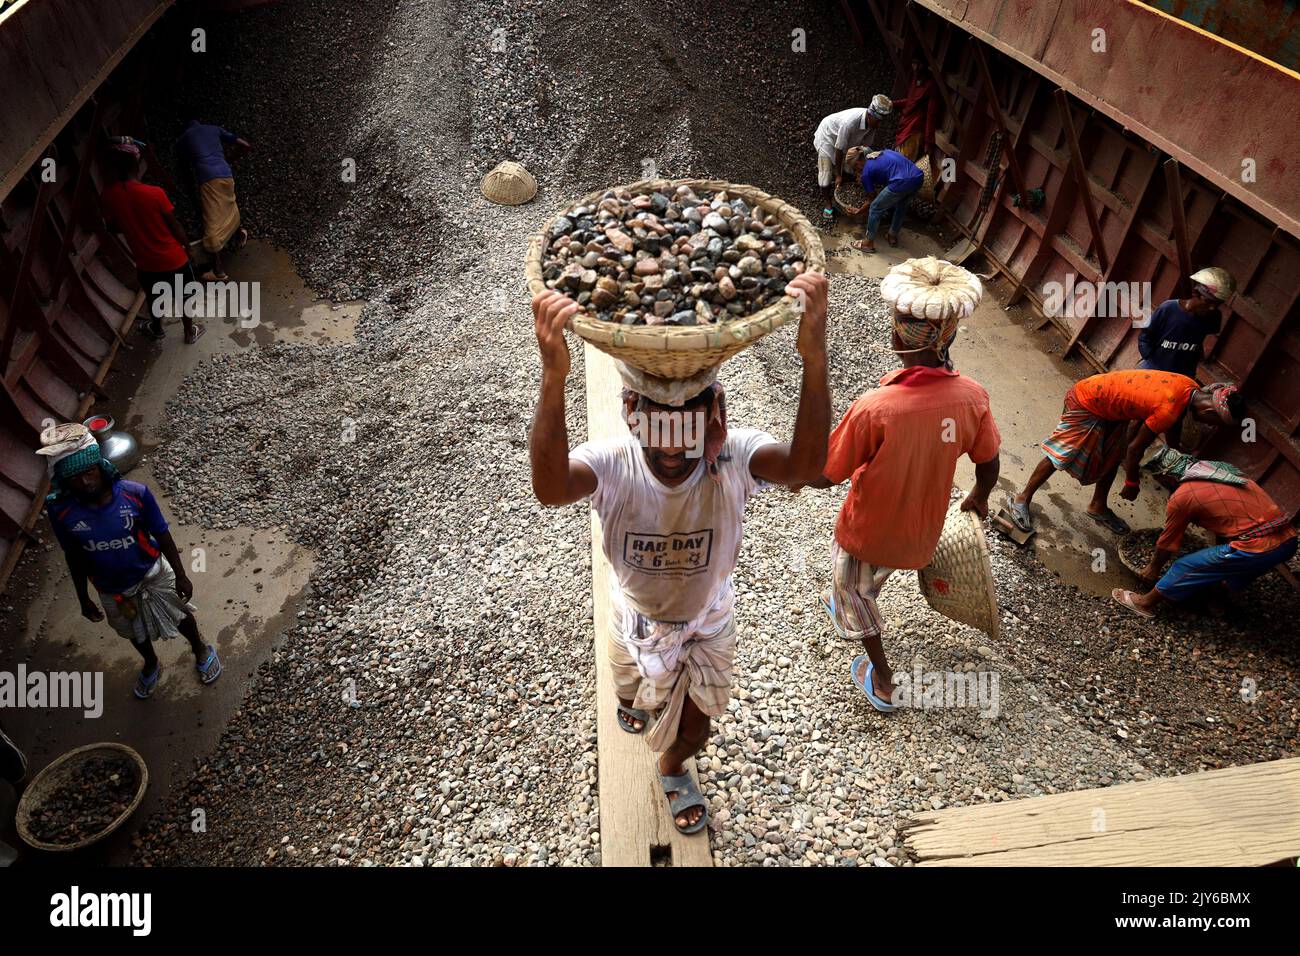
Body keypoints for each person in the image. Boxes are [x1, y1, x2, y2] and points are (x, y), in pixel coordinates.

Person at [528, 274, 830, 834]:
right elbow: (549, 488)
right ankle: (632, 699)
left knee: (696, 728)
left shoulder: (735, 456)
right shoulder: (614, 463)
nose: (670, 447)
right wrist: (554, 377)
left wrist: (816, 357)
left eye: (687, 424)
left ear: (716, 411)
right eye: (654, 424)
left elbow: (806, 469)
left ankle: (672, 765)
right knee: (629, 688)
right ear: (629, 412)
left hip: (708, 619)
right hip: (637, 617)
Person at [809, 257, 1000, 710]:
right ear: (948, 335)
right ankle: (856, 599)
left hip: (868, 529)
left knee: (852, 589)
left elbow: (826, 475)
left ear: (897, 336)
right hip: (922, 532)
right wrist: (978, 496)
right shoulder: (973, 396)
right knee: (873, 576)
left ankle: (884, 679)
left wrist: (789, 470)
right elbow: (988, 462)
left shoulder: (878, 406)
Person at [38, 424, 221, 699]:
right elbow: (73, 555)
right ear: (65, 481)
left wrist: (181, 575)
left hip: (153, 575)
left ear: (100, 466)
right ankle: (151, 662)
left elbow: (162, 534)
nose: (86, 482)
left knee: (180, 614)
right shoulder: (60, 509)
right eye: (76, 477)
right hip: (113, 590)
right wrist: (83, 598)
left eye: (89, 472)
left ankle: (200, 649)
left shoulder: (135, 494)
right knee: (134, 629)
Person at [1008, 370, 1245, 534]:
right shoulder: (1170, 407)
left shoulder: (1189, 386)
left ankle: (1097, 506)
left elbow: (1175, 425)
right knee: (1063, 452)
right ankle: (1022, 499)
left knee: (1112, 456)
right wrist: (1132, 482)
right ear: (1210, 411)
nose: (1208, 426)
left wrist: (1178, 456)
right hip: (1088, 399)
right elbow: (1136, 449)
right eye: (1212, 423)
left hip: (1111, 406)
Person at [1112, 446, 1296, 618]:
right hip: (1288, 540)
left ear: (1167, 476)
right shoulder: (1220, 472)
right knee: (1238, 571)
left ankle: (1145, 603)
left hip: (1257, 547)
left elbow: (1167, 543)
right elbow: (1228, 518)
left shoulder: (1183, 496)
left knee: (1186, 566)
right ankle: (1216, 602)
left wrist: (1153, 568)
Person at [100, 141, 205, 344]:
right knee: (184, 296)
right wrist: (187, 249)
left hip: (146, 264)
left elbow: (112, 227)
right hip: (173, 259)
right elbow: (175, 226)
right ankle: (189, 332)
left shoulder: (109, 196)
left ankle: (156, 329)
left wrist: (133, 225)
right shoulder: (155, 193)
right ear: (136, 166)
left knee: (154, 297)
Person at [1136, 267, 1234, 449]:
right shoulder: (1168, 309)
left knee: (1175, 420)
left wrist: (1193, 353)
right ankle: (1125, 453)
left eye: (1217, 304)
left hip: (1182, 376)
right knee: (1137, 414)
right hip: (1154, 370)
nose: (1213, 308)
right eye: (1209, 302)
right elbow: (1145, 337)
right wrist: (1151, 361)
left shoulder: (1213, 317)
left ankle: (1172, 457)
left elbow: (1199, 336)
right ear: (1195, 293)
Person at [175, 119, 251, 281]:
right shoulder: (214, 129)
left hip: (208, 179)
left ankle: (218, 271)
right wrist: (227, 160)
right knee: (230, 206)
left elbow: (185, 172)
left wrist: (192, 196)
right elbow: (245, 145)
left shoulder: (183, 140)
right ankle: (238, 237)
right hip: (226, 173)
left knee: (211, 220)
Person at [813, 95, 892, 222]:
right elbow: (839, 149)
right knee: (826, 174)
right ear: (870, 115)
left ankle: (840, 185)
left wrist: (861, 173)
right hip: (828, 138)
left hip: (847, 143)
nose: (879, 124)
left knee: (850, 169)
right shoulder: (849, 123)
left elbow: (863, 149)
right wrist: (838, 175)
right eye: (878, 121)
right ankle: (828, 203)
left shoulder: (873, 125)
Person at [847, 148, 925, 253]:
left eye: (854, 168)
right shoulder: (881, 153)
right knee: (902, 205)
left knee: (875, 208)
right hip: (917, 177)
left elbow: (871, 200)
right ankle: (892, 235)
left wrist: (859, 211)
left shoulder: (866, 173)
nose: (856, 171)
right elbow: (889, 171)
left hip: (901, 182)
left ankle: (868, 243)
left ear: (857, 164)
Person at [894, 56, 941, 176]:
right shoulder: (915, 79)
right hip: (904, 124)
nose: (915, 68)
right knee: (896, 160)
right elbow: (910, 101)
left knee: (903, 164)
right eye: (913, 64)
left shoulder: (930, 85)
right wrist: (893, 104)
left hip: (914, 129)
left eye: (918, 64)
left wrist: (928, 142)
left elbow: (931, 114)